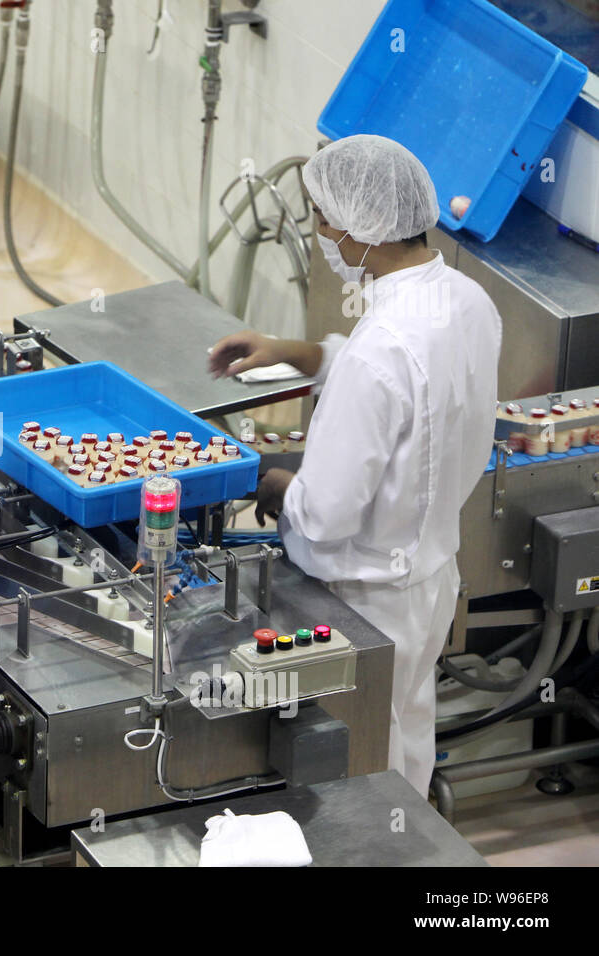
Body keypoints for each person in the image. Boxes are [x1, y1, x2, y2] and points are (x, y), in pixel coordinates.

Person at [207, 134, 502, 794]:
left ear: (365, 229)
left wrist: (276, 482)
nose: (321, 234)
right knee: (406, 732)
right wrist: (290, 351)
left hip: (362, 599)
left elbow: (327, 514)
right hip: (429, 578)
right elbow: (406, 396)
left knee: (359, 765)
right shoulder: (463, 300)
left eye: (324, 219)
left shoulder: (381, 350)